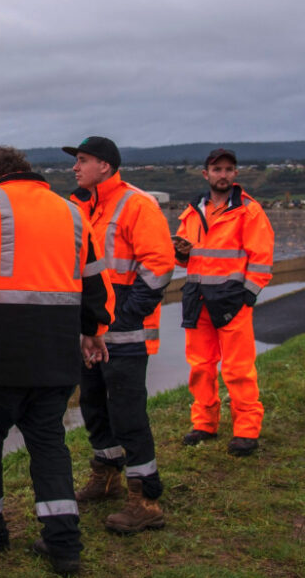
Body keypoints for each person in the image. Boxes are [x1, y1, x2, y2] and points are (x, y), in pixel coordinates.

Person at [0, 146, 114, 575]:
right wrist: (93, 332)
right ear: (28, 172)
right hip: (54, 355)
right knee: (49, 446)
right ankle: (63, 545)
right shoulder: (72, 214)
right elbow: (92, 284)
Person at [63, 136, 175, 533]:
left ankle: (145, 500)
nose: (75, 168)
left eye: (82, 160)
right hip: (88, 333)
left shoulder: (136, 204)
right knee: (94, 407)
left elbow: (159, 266)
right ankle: (107, 474)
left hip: (124, 335)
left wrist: (123, 317)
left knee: (128, 415)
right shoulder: (76, 206)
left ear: (105, 166)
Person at [173, 148, 274, 456]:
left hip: (232, 302)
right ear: (206, 174)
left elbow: (262, 259)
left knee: (238, 368)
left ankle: (246, 431)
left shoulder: (249, 211)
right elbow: (182, 258)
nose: (223, 174)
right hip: (197, 299)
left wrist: (248, 294)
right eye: (217, 169)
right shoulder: (192, 212)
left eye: (229, 169)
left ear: (235, 174)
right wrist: (180, 251)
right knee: (200, 366)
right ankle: (204, 424)